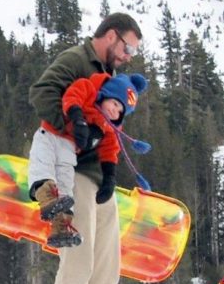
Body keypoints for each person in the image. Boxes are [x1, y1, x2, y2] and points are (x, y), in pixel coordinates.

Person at [29, 12, 143, 284]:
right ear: (110, 36)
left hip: (98, 178)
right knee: (79, 258)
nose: (128, 56)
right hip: (73, 170)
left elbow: (107, 129)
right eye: (127, 47)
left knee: (107, 266)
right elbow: (42, 93)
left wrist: (110, 171)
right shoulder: (77, 59)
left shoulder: (111, 78)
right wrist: (75, 127)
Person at [27, 70, 149, 248]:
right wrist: (78, 119)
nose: (115, 111)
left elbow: (110, 150)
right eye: (115, 103)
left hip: (69, 149)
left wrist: (109, 177)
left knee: (65, 182)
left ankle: (61, 228)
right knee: (42, 165)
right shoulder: (89, 89)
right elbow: (73, 96)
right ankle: (47, 197)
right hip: (50, 135)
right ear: (106, 94)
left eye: (120, 111)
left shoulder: (108, 127)